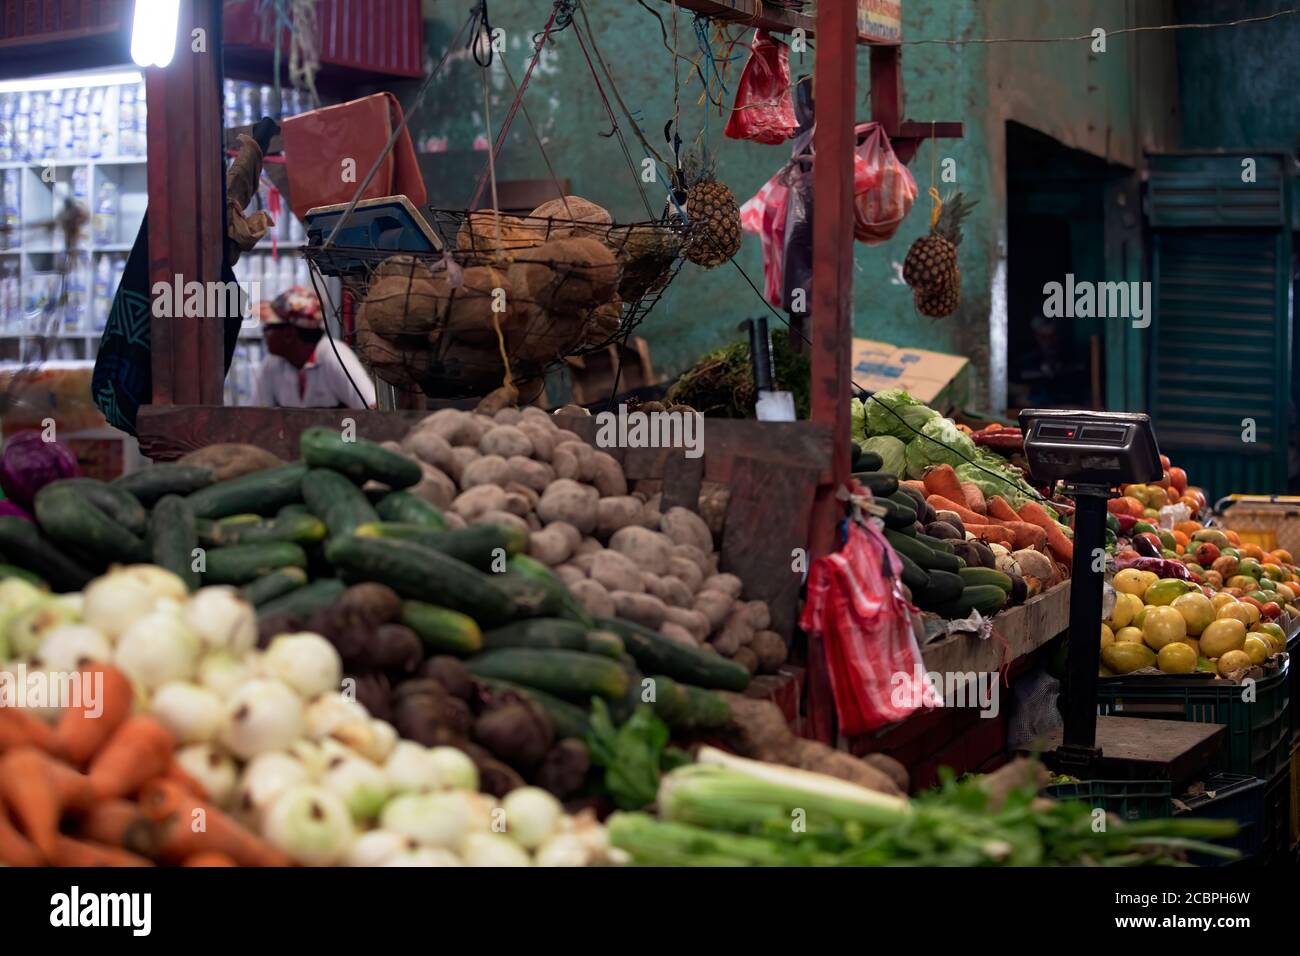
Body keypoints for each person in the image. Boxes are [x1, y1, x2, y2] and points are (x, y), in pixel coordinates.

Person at [254, 287, 376, 409]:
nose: (264, 333)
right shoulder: (272, 364)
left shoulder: (334, 355)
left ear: (288, 333)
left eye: (269, 327)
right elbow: (255, 417)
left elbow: (372, 407)